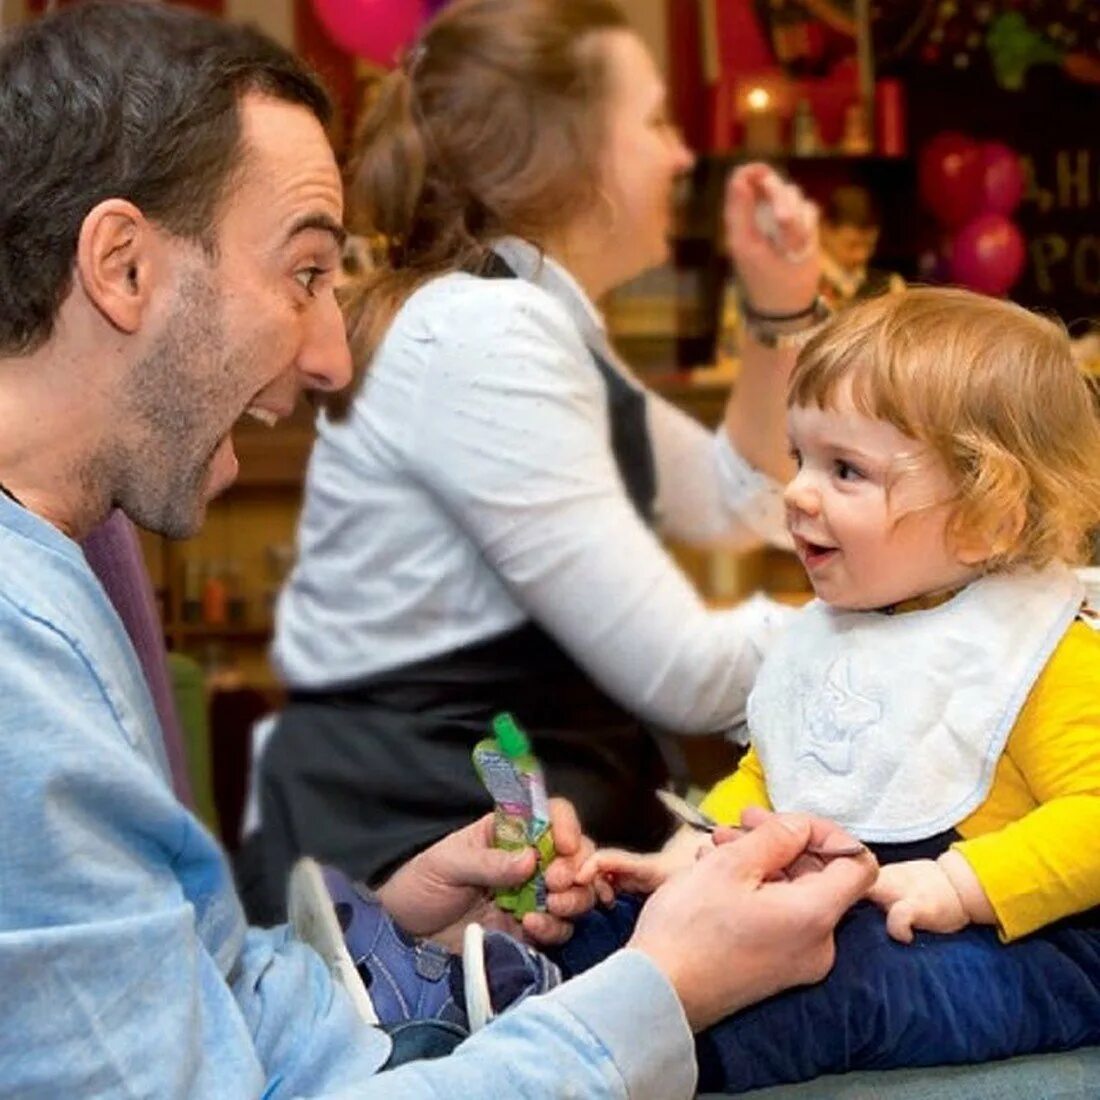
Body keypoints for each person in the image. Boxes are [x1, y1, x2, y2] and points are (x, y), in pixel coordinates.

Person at [0, 3, 877, 1096]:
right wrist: (667, 985)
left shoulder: (53, 561)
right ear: (121, 268)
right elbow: (679, 665)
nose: (330, 356)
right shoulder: (17, 656)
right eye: (306, 273)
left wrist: (398, 925)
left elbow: (171, 988)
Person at [252, 0, 831, 918]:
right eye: (652, 122)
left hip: (492, 835)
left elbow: (738, 499)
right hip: (421, 877)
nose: (682, 155)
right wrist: (900, 629)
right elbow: (677, 672)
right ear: (572, 154)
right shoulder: (487, 331)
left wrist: (779, 307)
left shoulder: (529, 316)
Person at [573, 287, 1100, 1092]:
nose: (798, 493)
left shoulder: (1044, 653)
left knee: (838, 978)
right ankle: (543, 989)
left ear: (989, 517)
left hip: (1035, 945)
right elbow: (781, 770)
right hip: (862, 901)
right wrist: (691, 858)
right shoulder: (830, 634)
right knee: (645, 917)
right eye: (801, 459)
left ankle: (654, 1060)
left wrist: (963, 884)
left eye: (846, 469)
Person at [818, 184, 905, 310]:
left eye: (869, 245)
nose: (861, 255)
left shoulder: (889, 286)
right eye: (852, 245)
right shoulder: (801, 285)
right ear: (825, 231)